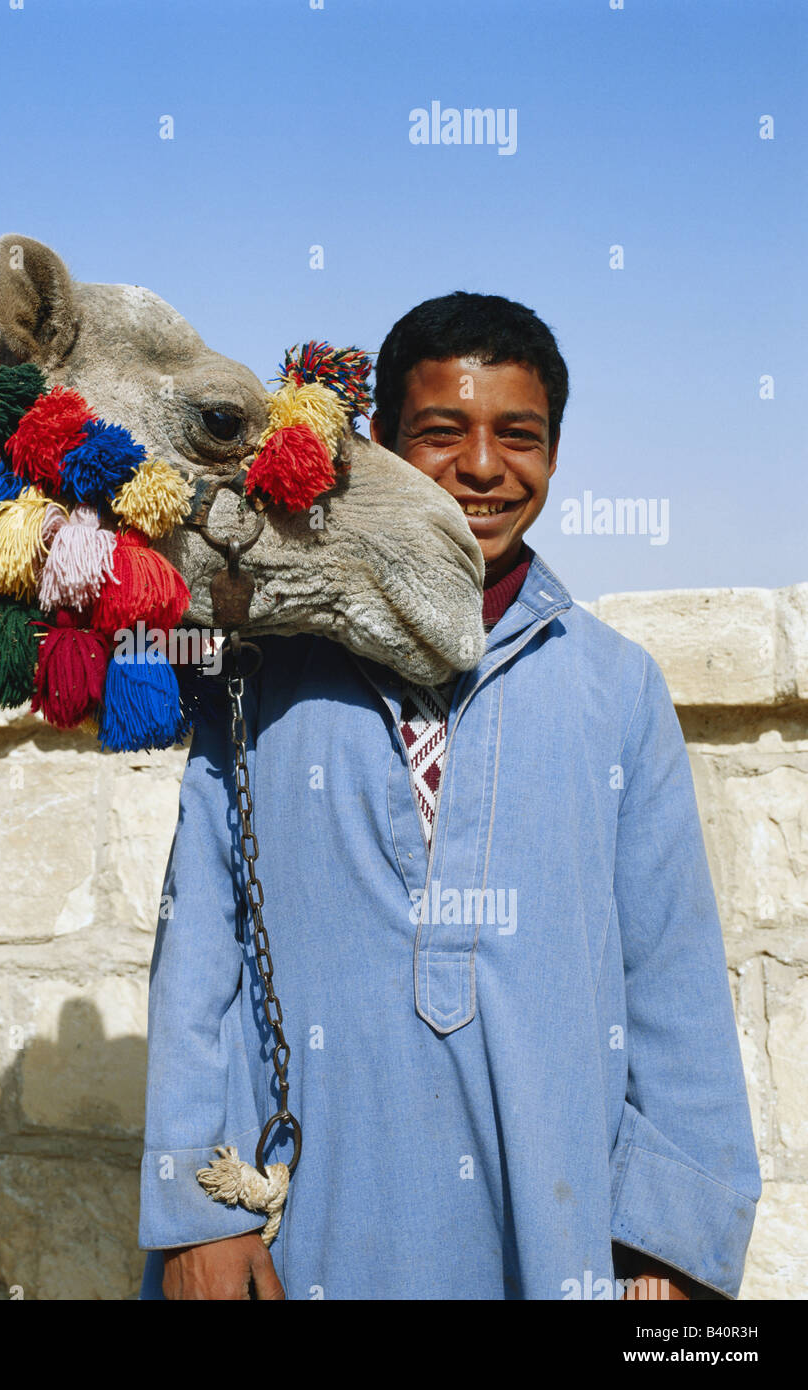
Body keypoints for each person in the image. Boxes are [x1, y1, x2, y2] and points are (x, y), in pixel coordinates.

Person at [136, 292, 761, 1300]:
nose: (481, 465)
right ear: (377, 443)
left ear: (554, 454)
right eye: (442, 431)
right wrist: (193, 1206)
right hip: (296, 1227)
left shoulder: (615, 688)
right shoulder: (266, 672)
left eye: (518, 436)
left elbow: (671, 979)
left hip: (557, 1238)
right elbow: (199, 942)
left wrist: (669, 1245)